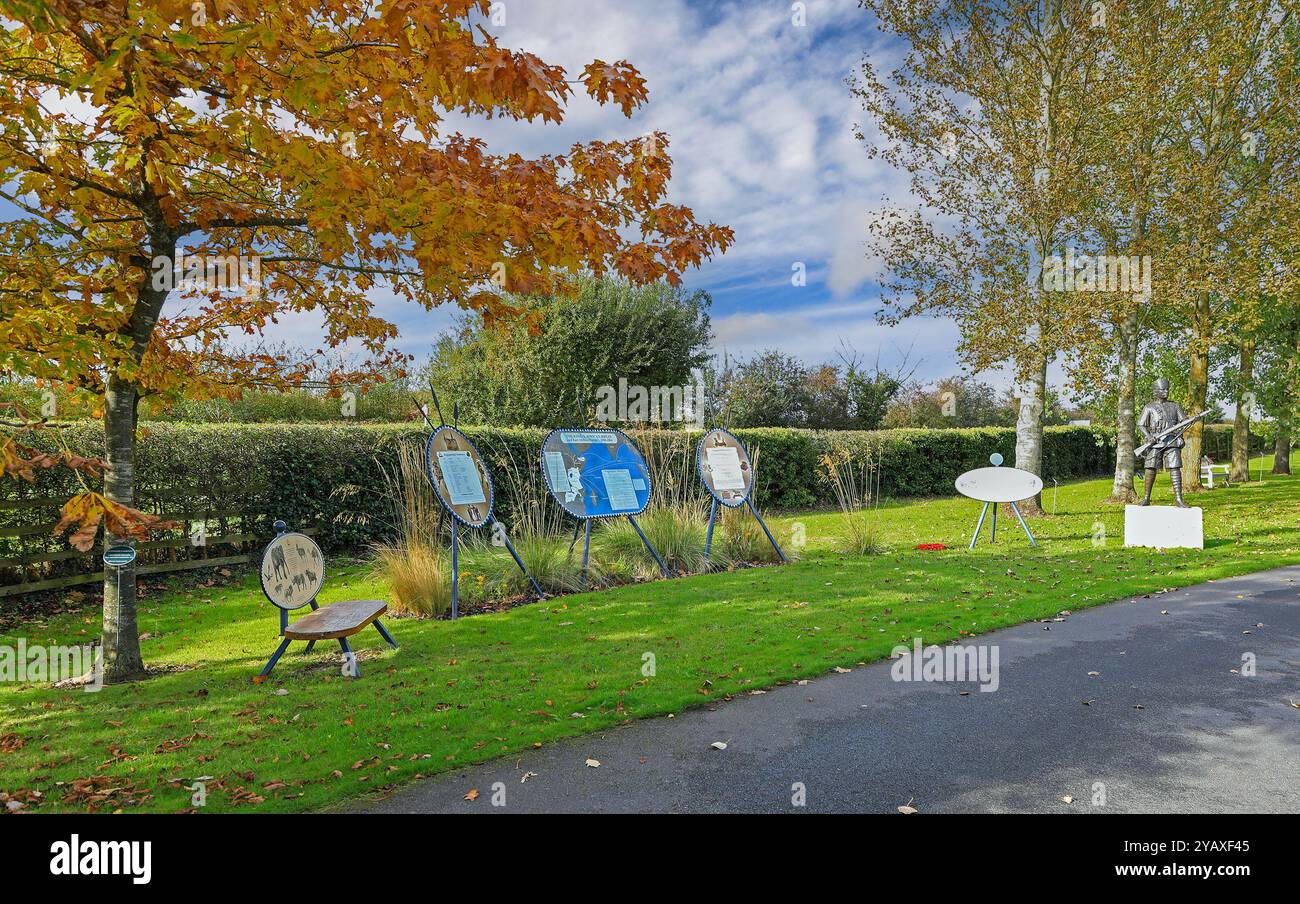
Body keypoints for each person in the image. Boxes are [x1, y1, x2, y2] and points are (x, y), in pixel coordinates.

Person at [1137, 378, 1190, 507]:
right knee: (1150, 467)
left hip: (1171, 440)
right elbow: (1141, 424)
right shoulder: (1149, 407)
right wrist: (1149, 436)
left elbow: (1184, 422)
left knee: (1175, 467)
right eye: (1163, 389)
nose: (1166, 392)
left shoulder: (1175, 406)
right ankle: (1146, 498)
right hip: (1155, 441)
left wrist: (1179, 435)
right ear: (1155, 391)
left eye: (1167, 389)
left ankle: (1178, 499)